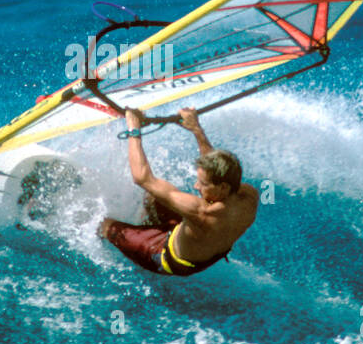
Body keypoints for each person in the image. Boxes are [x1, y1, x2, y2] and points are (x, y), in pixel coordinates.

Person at [99, 106, 257, 277]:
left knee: (105, 225)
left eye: (203, 184)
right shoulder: (249, 195)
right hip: (205, 247)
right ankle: (149, 226)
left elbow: (141, 178)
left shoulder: (203, 212)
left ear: (223, 187)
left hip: (166, 258)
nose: (197, 186)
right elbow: (215, 165)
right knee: (155, 196)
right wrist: (196, 129)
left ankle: (129, 240)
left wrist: (134, 128)